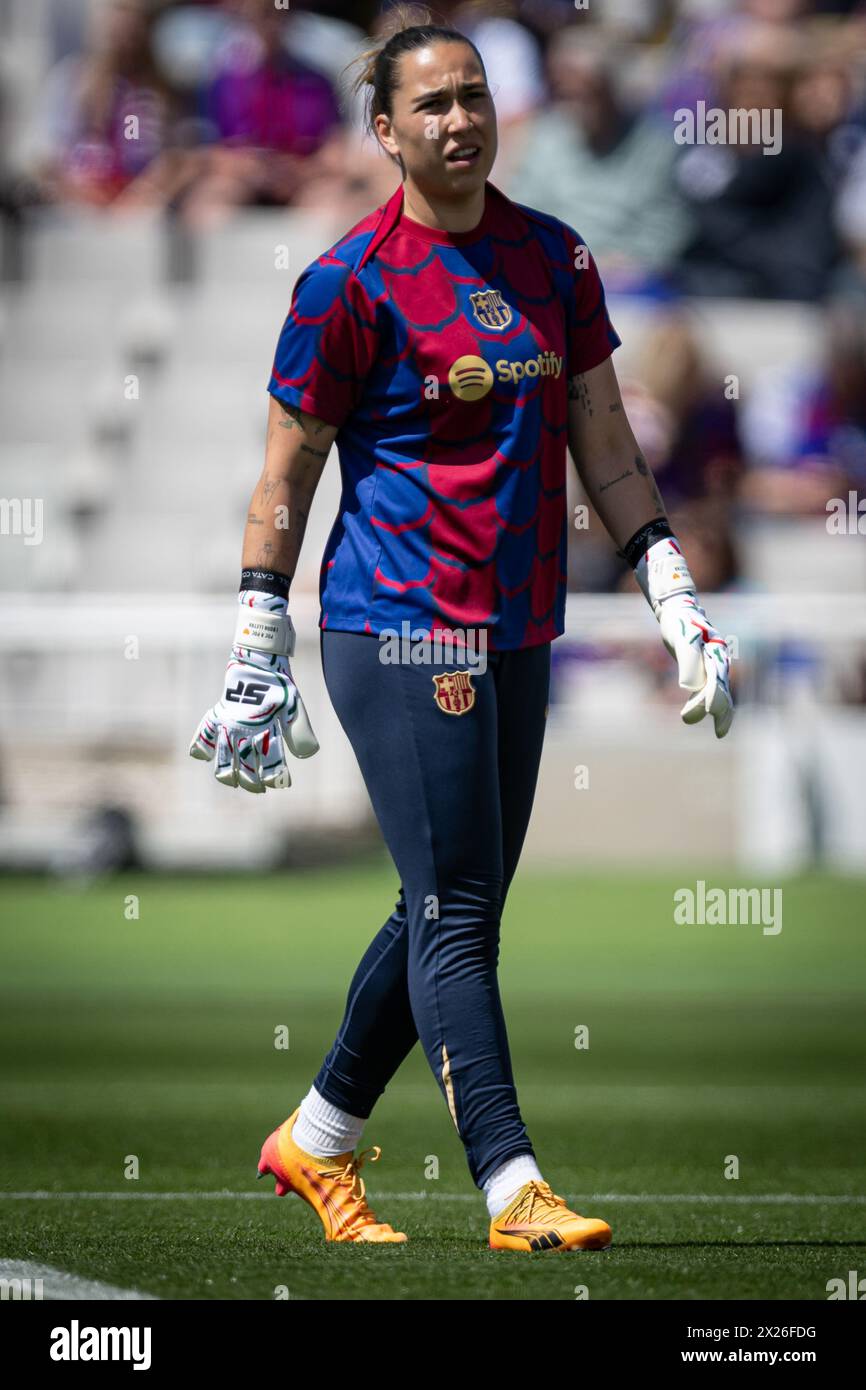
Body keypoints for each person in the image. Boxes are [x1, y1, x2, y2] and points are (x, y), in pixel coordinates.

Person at [189, 6, 733, 1253]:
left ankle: (315, 1140)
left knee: (446, 898)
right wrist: (255, 632)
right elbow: (287, 468)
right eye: (430, 104)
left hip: (518, 623)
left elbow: (603, 438)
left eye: (475, 96)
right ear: (382, 132)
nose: (459, 120)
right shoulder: (346, 283)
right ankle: (510, 1184)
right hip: (394, 624)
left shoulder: (558, 259)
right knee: (460, 907)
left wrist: (669, 591)